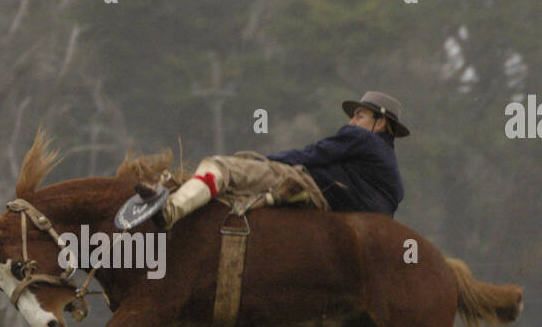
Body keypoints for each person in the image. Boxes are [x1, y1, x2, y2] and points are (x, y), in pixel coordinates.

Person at [158, 91, 409, 228]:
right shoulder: (390, 172)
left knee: (222, 166)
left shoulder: (361, 138)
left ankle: (169, 211)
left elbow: (313, 154)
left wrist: (266, 163)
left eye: (359, 116)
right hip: (343, 213)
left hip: (313, 189)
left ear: (381, 122)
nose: (352, 122)